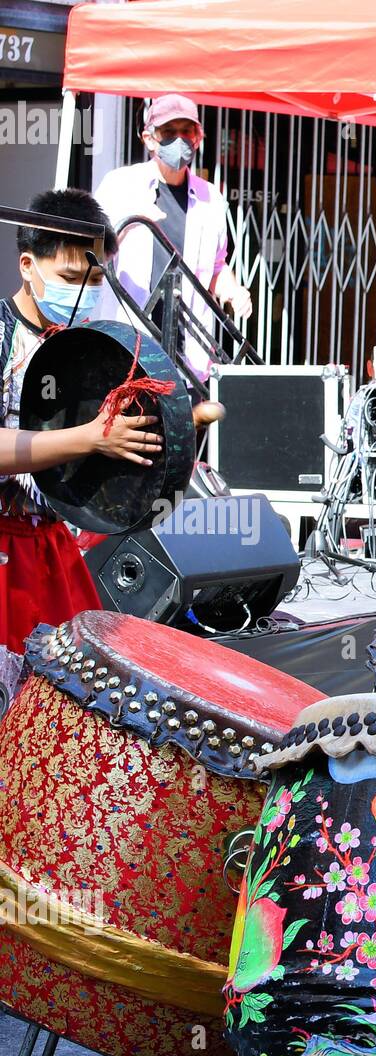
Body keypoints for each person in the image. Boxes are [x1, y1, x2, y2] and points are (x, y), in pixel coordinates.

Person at [0, 190, 161, 654]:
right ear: (28, 266)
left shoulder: (84, 348)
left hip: (55, 551)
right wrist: (91, 438)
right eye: (70, 277)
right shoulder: (1, 334)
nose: (84, 290)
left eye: (94, 280)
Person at [94, 95, 251, 384]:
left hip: (186, 353)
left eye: (186, 131)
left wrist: (232, 290)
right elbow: (91, 254)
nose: (179, 141)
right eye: (168, 132)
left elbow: (216, 267)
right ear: (149, 139)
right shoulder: (119, 186)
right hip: (128, 346)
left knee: (183, 427)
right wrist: (129, 223)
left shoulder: (211, 198)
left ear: (199, 137)